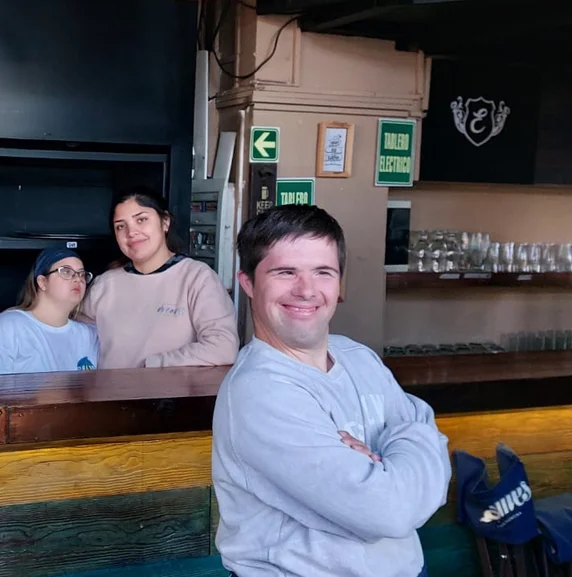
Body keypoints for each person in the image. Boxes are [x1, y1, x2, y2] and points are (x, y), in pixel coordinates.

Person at [211, 205, 451, 577]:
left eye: (323, 272)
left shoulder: (358, 357)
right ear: (248, 283)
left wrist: (392, 451)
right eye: (285, 272)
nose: (306, 290)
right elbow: (390, 511)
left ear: (339, 283)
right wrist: (410, 450)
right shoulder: (259, 392)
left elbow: (434, 459)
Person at [82, 186, 238, 369]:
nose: (131, 232)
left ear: (165, 222)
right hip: (107, 395)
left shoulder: (197, 278)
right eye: (120, 226)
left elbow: (223, 347)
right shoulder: (104, 284)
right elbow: (78, 342)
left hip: (170, 396)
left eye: (141, 220)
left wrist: (152, 365)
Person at [0, 247, 98, 376]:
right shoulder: (7, 329)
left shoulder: (88, 335)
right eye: (66, 271)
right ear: (42, 282)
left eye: (82, 274)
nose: (78, 279)